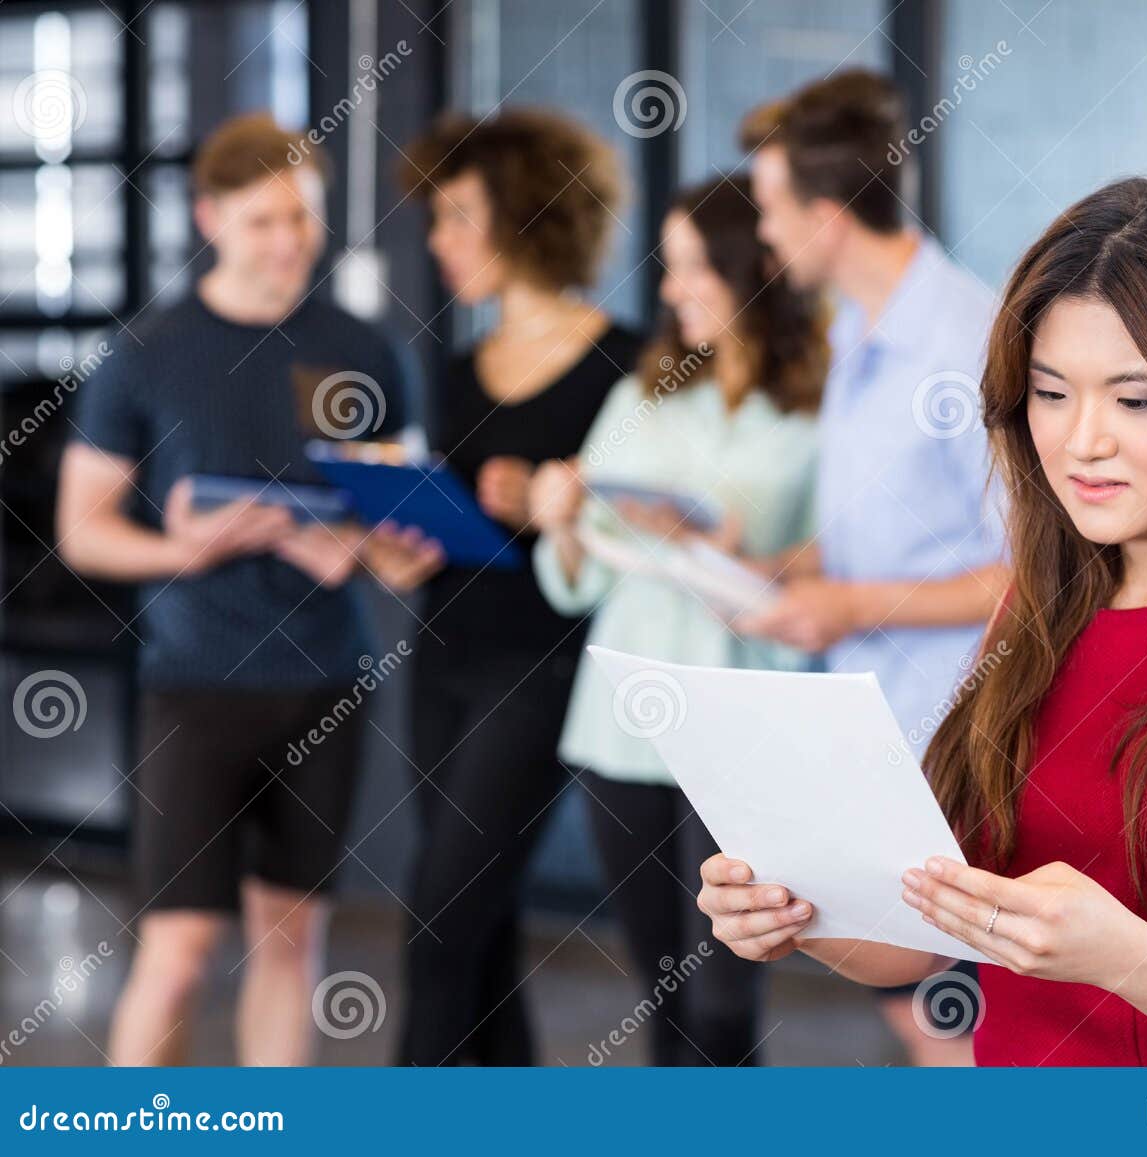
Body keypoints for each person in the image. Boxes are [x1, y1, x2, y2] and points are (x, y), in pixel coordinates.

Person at [697, 175, 1147, 1066]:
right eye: (1051, 394)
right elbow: (927, 931)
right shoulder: (1037, 613)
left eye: (1136, 400)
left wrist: (1130, 958)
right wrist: (800, 914)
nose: (1081, 440)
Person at [57, 113, 442, 1067]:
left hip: (325, 682)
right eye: (264, 220)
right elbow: (84, 532)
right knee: (180, 948)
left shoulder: (366, 349)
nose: (288, 242)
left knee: (292, 942)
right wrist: (185, 550)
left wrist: (365, 544)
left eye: (303, 219)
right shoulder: (146, 353)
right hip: (197, 686)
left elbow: (404, 539)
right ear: (210, 218)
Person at [733, 69, 1006, 1065]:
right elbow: (890, 530)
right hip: (880, 724)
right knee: (919, 1008)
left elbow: (1039, 578)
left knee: (956, 1018)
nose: (763, 237)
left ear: (827, 216)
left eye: (769, 212)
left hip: (962, 737)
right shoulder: (852, 329)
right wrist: (787, 564)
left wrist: (851, 602)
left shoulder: (963, 343)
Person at [527, 174, 826, 1065]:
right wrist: (560, 519)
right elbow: (569, 582)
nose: (670, 288)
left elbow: (852, 562)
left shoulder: (823, 402)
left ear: (755, 268)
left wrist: (742, 550)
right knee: (664, 996)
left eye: (694, 265)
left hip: (749, 717)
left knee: (729, 995)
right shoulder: (643, 395)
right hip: (626, 715)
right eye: (670, 267)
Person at [392, 109, 643, 1066]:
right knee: (479, 926)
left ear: (528, 218)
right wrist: (401, 539)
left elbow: (638, 533)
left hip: (544, 667)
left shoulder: (629, 364)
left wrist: (552, 506)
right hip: (443, 651)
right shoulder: (455, 371)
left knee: (437, 921)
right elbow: (445, 520)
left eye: (458, 216)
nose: (439, 240)